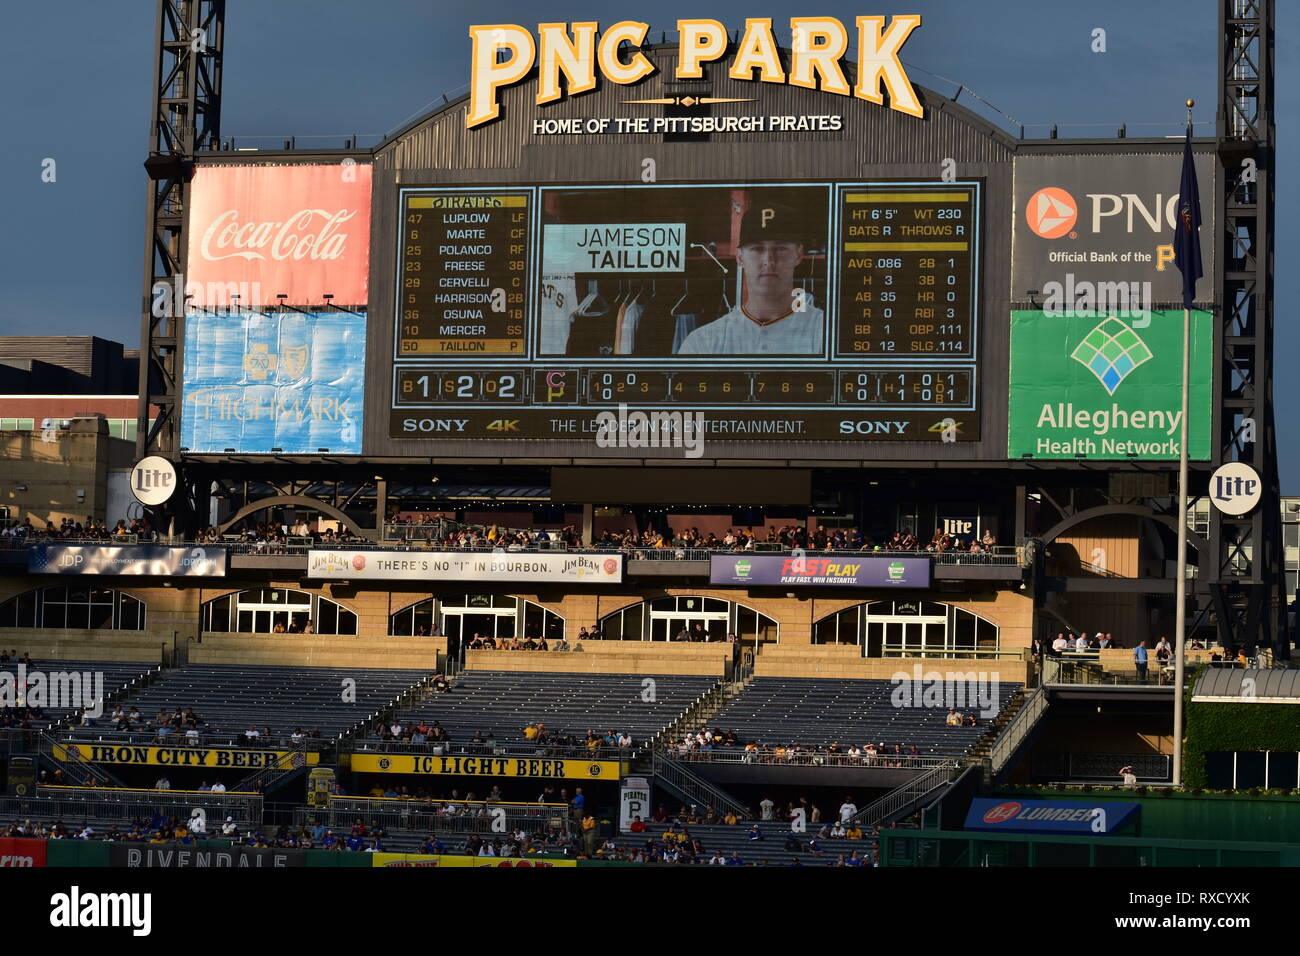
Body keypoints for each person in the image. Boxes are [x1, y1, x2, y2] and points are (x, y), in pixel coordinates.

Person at [677, 199, 825, 355]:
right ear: (740, 257)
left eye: (780, 248)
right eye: (757, 249)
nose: (769, 260)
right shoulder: (702, 342)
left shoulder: (826, 333)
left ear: (798, 255)